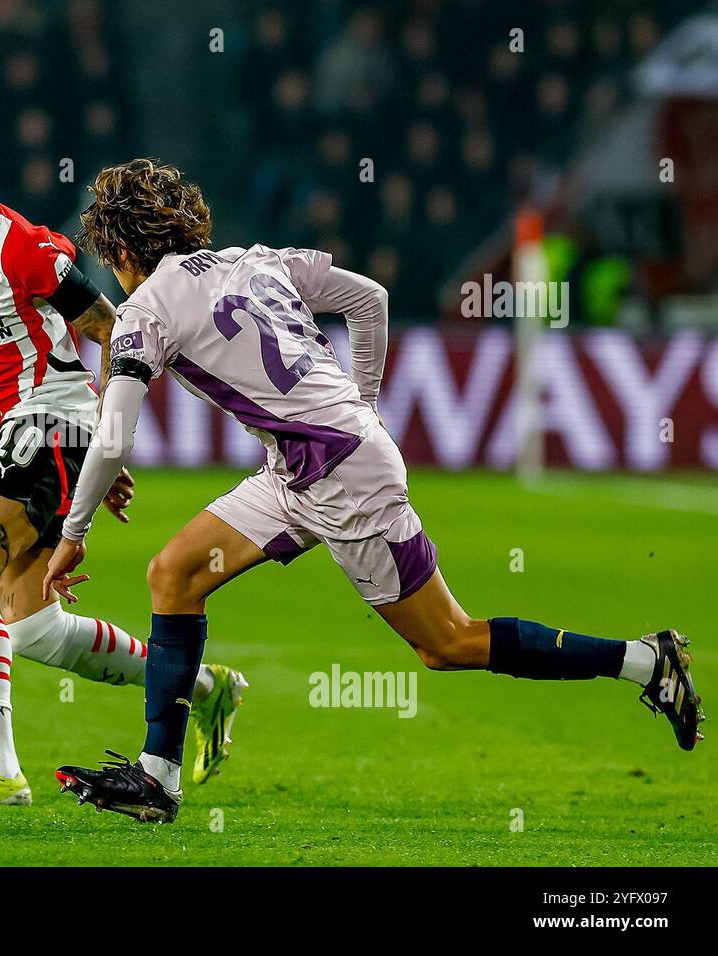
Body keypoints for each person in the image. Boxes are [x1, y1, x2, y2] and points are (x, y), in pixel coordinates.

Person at [44, 159, 704, 823]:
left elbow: (113, 437)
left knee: (446, 643)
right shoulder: (254, 260)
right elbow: (370, 300)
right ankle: (158, 777)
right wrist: (363, 404)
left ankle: (644, 662)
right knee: (174, 574)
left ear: (121, 251)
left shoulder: (142, 313)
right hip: (305, 466)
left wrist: (72, 535)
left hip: (340, 478)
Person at [0, 107, 246, 805]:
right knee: (34, 626)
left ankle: (0, 769)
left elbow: (115, 330)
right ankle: (204, 685)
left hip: (48, 416)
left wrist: (102, 439)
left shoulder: (20, 245)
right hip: (13, 433)